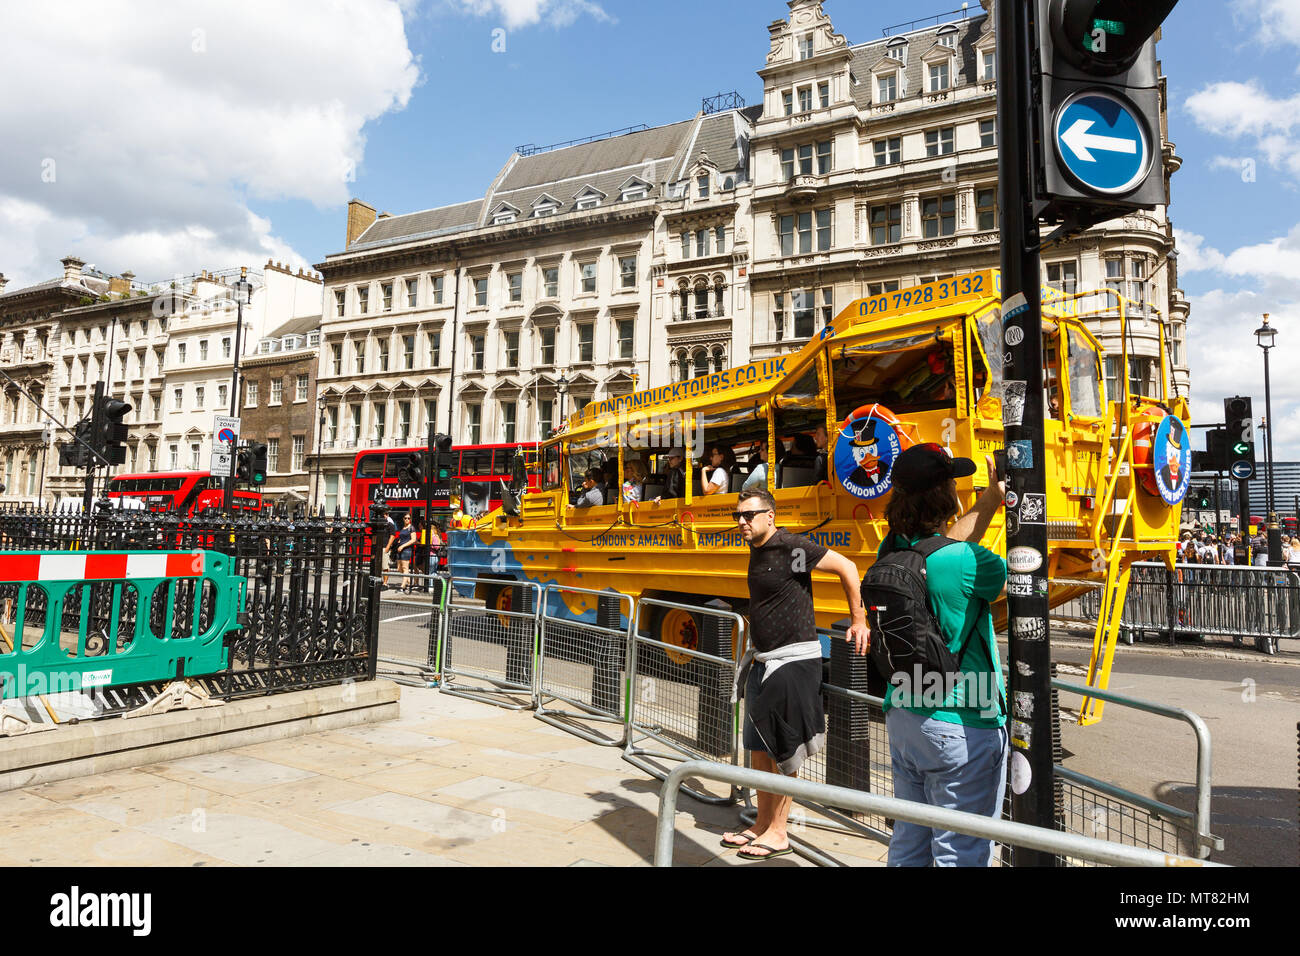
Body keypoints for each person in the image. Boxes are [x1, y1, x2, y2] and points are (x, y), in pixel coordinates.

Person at [872, 444, 1008, 867]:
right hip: (963, 720)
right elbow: (1020, 576)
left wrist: (990, 499)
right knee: (961, 851)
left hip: (905, 714)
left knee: (910, 841)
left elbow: (941, 549)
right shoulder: (968, 561)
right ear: (947, 496)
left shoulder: (891, 552)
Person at [720, 487, 869, 860]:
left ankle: (779, 832)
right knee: (757, 748)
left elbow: (848, 567)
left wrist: (858, 619)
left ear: (770, 516)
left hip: (793, 662)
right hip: (763, 659)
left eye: (749, 515)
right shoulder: (757, 550)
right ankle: (762, 822)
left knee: (783, 752)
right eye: (738, 515)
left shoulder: (791, 547)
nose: (741, 521)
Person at [395, 513, 415, 590]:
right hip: (400, 549)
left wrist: (403, 546)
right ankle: (409, 582)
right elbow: (402, 538)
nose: (407, 519)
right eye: (405, 518)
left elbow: (413, 540)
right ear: (403, 519)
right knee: (399, 569)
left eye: (408, 518)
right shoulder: (403, 528)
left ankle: (403, 586)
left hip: (406, 550)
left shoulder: (411, 528)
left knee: (405, 568)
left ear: (410, 519)